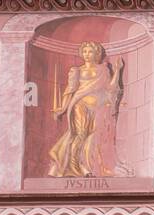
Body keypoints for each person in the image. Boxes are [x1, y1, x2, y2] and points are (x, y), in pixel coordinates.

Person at [48, 41, 125, 179]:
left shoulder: (104, 70)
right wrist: (63, 108)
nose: (87, 54)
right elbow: (69, 91)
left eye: (90, 51)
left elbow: (111, 89)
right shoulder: (77, 71)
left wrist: (118, 70)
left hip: (99, 107)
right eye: (85, 51)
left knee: (94, 137)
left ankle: (89, 166)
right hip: (80, 104)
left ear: (97, 53)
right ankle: (77, 167)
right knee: (81, 134)